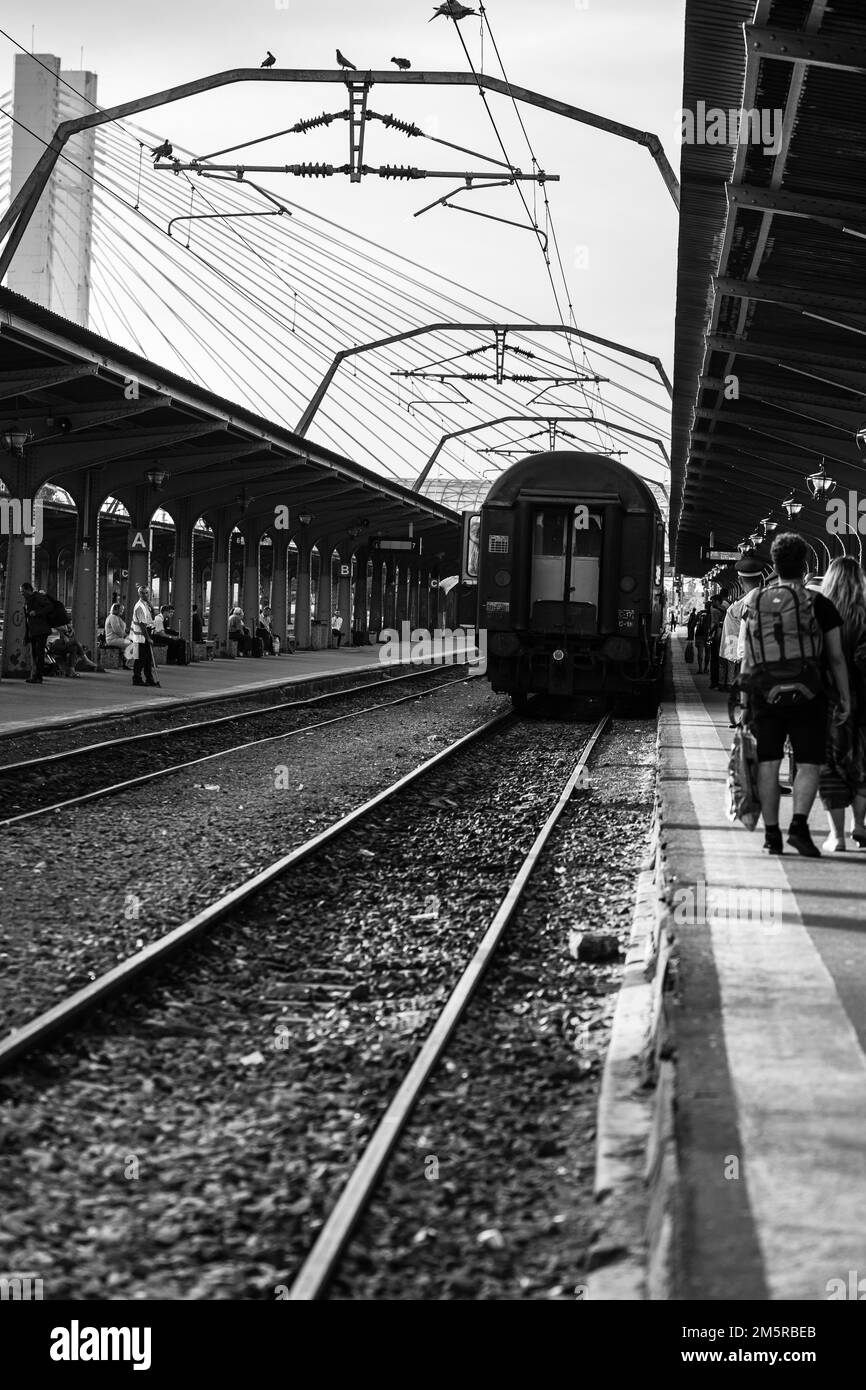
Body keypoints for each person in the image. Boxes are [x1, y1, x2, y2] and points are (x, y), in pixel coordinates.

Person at [741, 532, 850, 857]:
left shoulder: (756, 601)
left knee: (768, 762)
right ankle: (799, 828)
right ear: (805, 567)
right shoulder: (819, 603)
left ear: (773, 566)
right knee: (808, 763)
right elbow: (835, 657)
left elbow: (748, 656)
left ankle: (772, 835)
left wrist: (746, 702)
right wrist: (844, 697)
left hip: (764, 693)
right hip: (809, 693)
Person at [817, 557, 866, 852]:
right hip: (865, 700)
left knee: (831, 767)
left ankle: (837, 836)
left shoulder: (820, 612)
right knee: (862, 762)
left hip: (830, 700)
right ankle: (859, 823)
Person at [19, 581, 54, 684]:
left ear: (28, 590)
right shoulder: (27, 601)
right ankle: (35, 676)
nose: (21, 593)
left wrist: (37, 612)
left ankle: (39, 677)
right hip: (33, 631)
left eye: (22, 591)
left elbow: (50, 607)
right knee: (35, 654)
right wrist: (26, 636)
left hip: (41, 630)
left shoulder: (38, 597)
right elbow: (27, 620)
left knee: (39, 654)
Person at [130, 585, 159, 687]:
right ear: (139, 594)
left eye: (146, 592)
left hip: (145, 634)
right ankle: (136, 679)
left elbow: (151, 619)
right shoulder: (139, 607)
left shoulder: (146, 604)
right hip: (141, 636)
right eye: (142, 593)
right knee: (140, 659)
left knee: (147, 659)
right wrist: (148, 638)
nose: (145, 594)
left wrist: (151, 607)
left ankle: (149, 679)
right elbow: (142, 624)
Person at [708, 588, 729, 689]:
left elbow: (715, 624)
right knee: (720, 660)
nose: (712, 603)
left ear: (717, 601)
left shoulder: (716, 610)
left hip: (717, 636)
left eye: (713, 601)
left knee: (715, 660)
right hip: (723, 636)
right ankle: (721, 681)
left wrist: (709, 634)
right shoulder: (726, 608)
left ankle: (714, 681)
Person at [104, 602, 129, 668]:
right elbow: (117, 630)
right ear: (116, 609)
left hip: (116, 638)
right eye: (121, 609)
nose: (122, 611)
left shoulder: (116, 617)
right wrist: (125, 635)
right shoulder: (113, 617)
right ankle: (127, 663)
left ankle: (125, 662)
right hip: (113, 639)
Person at [693, 606, 710, 673]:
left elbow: (693, 624)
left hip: (699, 635)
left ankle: (700, 669)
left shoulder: (700, 613)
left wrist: (690, 637)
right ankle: (706, 668)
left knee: (700, 652)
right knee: (708, 653)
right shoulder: (711, 613)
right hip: (708, 636)